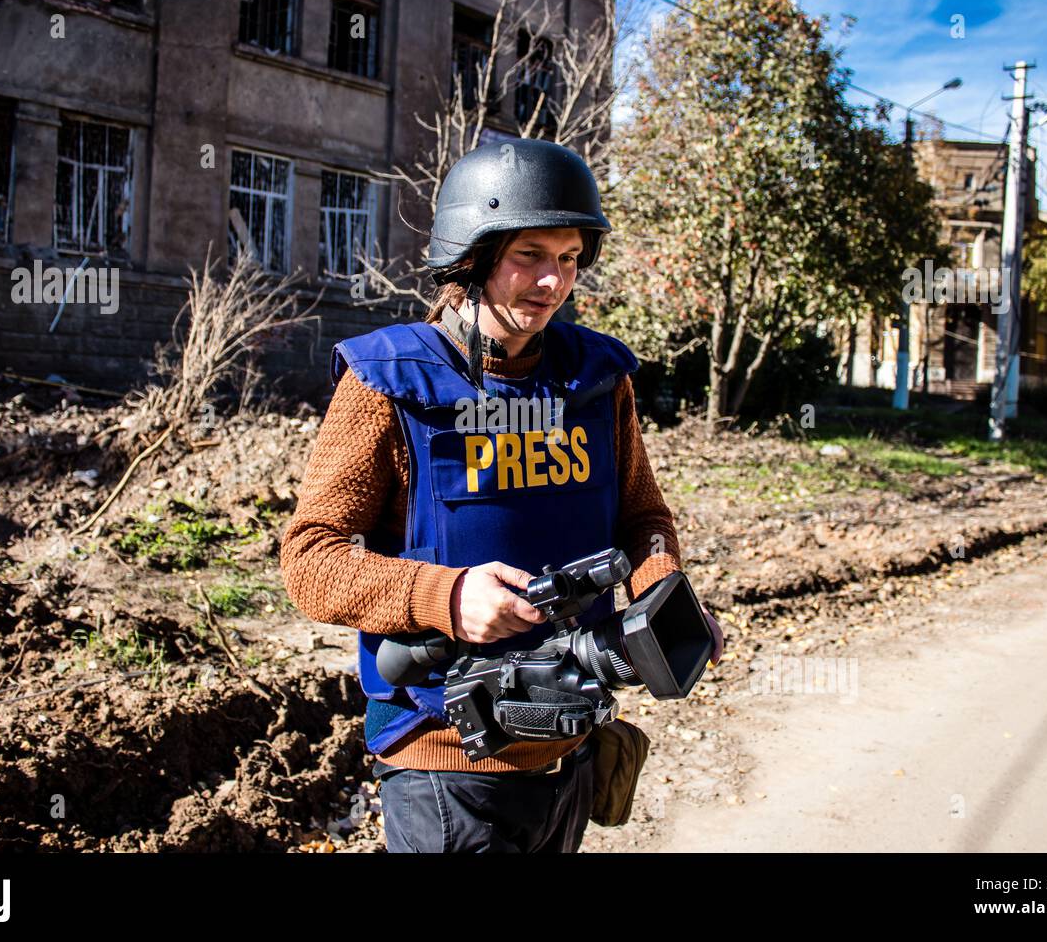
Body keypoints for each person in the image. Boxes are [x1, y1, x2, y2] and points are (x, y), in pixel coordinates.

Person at [280, 139, 723, 853]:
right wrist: (446, 597)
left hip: (569, 751)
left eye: (571, 258)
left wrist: (667, 598)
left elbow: (644, 519)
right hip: (447, 766)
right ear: (474, 257)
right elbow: (310, 560)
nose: (553, 282)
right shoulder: (388, 381)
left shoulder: (596, 378)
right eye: (530, 256)